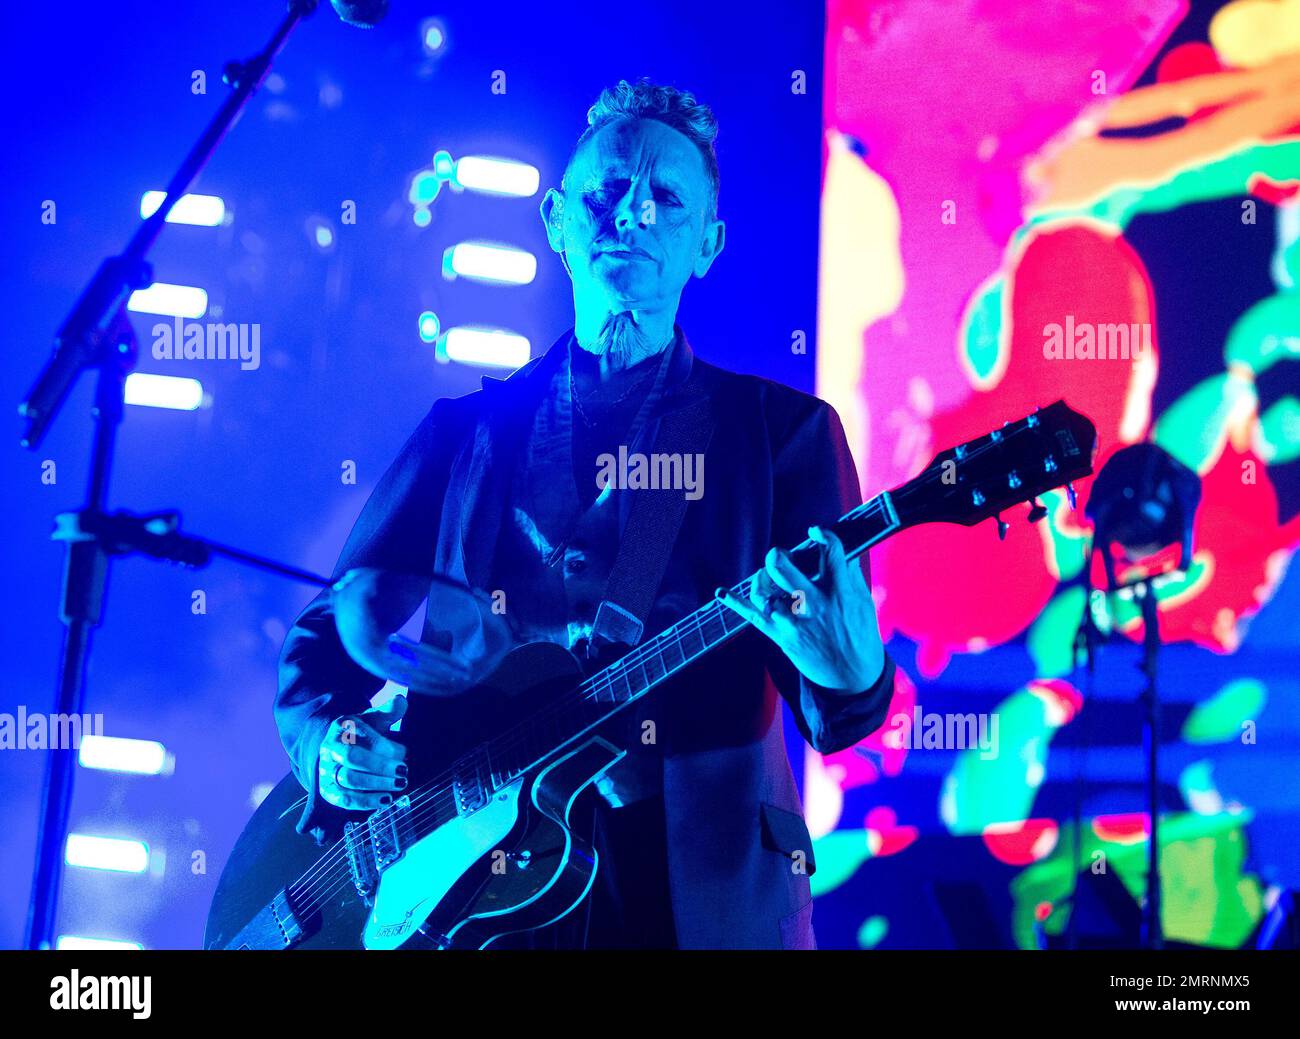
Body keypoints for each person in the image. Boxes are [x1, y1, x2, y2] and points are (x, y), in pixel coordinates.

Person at [275, 78, 896, 949]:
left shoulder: (783, 436)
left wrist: (856, 664)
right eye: (606, 193)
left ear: (706, 246)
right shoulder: (464, 431)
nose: (632, 214)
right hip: (479, 894)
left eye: (666, 198)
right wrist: (328, 750)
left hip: (698, 899)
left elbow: (843, 713)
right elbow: (326, 631)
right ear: (557, 222)